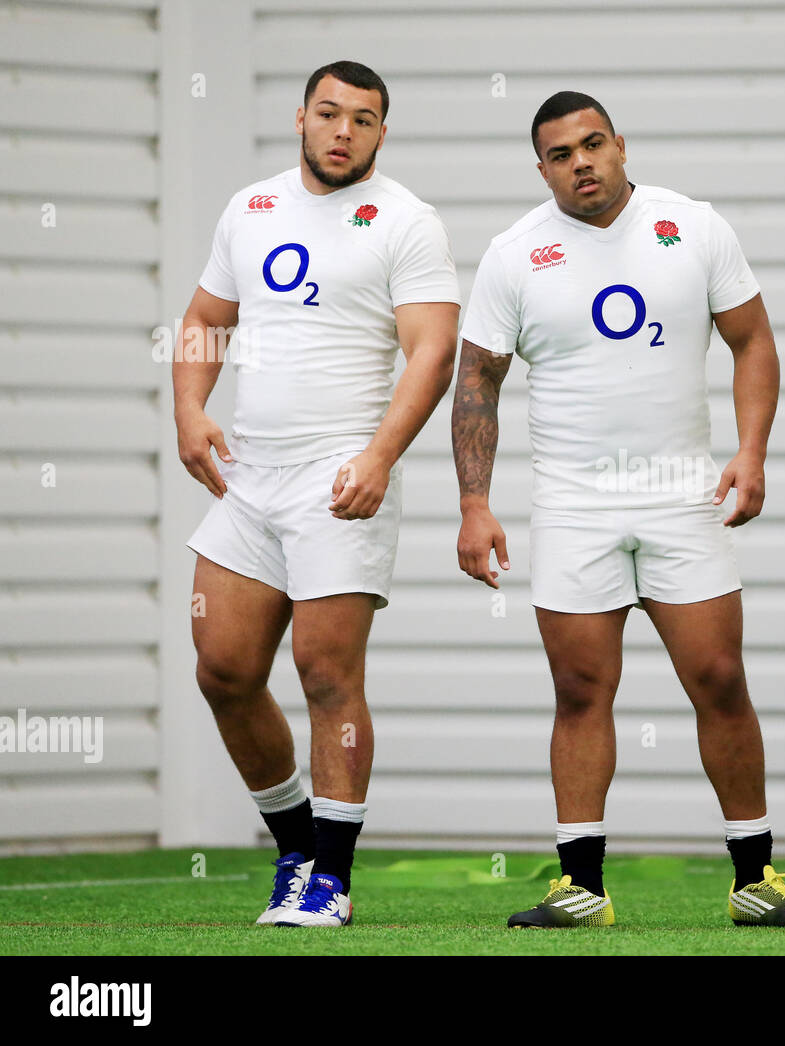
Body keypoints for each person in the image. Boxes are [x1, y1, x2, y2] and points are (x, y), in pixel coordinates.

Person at [452, 91, 785, 929]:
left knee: (719, 679)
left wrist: (752, 451)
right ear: (541, 168)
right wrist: (474, 503)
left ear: (620, 144)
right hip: (574, 505)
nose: (580, 163)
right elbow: (477, 382)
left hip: (682, 498)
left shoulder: (693, 226)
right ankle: (580, 886)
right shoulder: (514, 255)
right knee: (579, 690)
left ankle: (756, 879)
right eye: (560, 154)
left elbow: (753, 340)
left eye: (592, 144)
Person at [174, 60, 460, 927]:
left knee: (326, 673)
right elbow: (205, 320)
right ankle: (296, 848)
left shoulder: (406, 220)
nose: (344, 131)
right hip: (249, 477)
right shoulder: (251, 207)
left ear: (382, 133)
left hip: (341, 476)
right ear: (300, 118)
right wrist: (190, 409)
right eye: (329, 113)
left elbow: (433, 351)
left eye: (363, 119)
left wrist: (379, 457)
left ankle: (330, 881)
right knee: (223, 669)